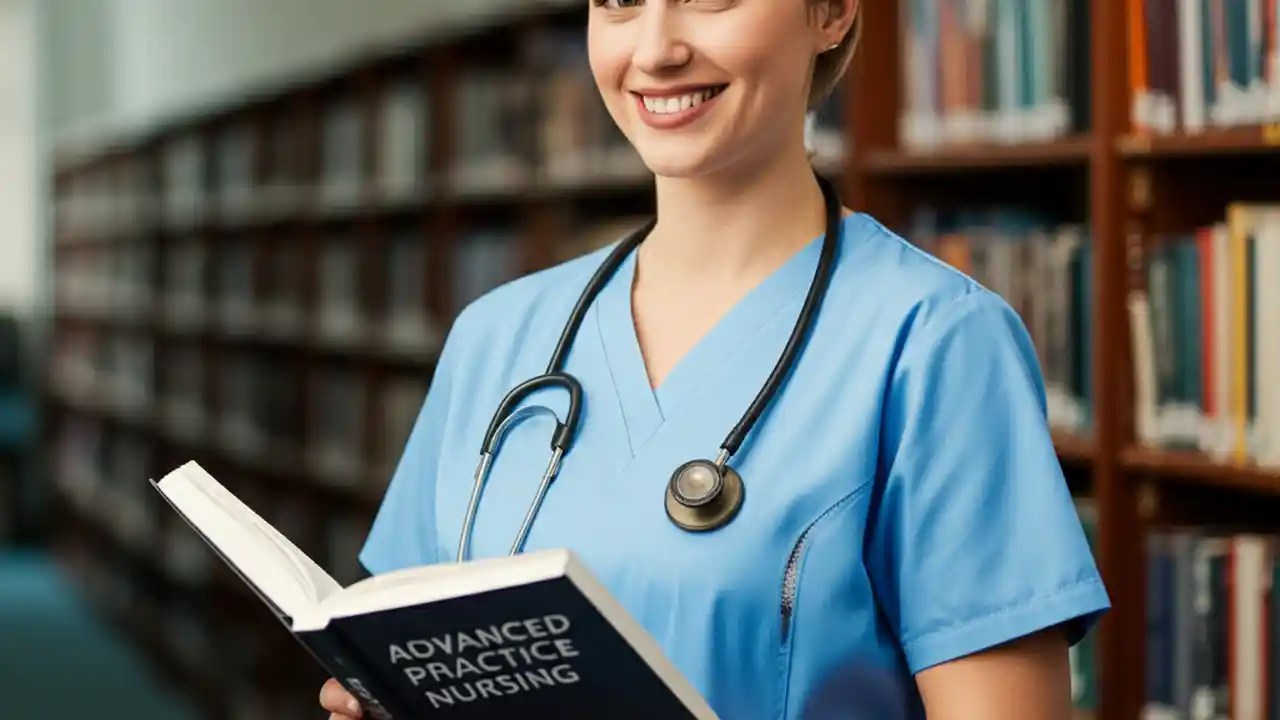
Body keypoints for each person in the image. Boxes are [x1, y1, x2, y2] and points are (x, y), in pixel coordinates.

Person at [321, 0, 1110, 718]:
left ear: (832, 13)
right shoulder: (496, 339)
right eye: (619, 2)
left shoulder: (937, 341)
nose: (656, 50)